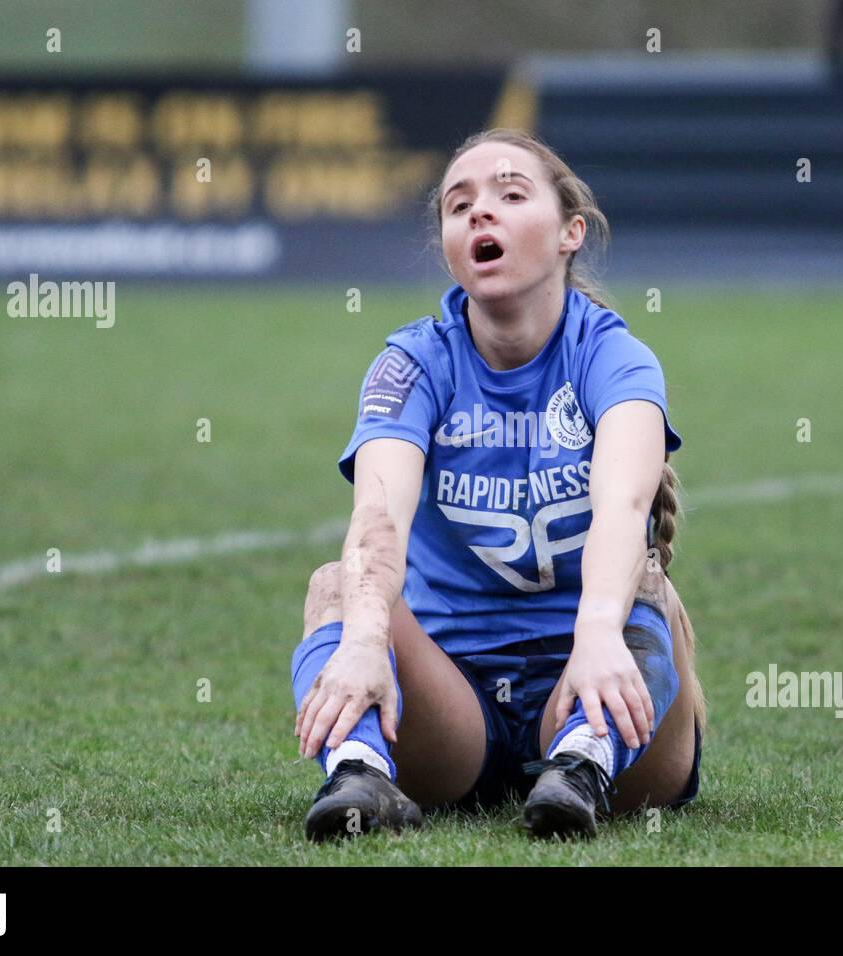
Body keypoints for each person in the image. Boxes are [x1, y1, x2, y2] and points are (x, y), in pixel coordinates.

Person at [291, 128, 707, 841]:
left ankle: (580, 765)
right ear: (450, 245)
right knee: (338, 586)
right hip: (449, 712)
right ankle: (359, 774)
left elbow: (624, 503)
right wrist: (363, 639)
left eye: (510, 195)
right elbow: (378, 514)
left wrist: (600, 631)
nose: (480, 213)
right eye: (459, 206)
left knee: (650, 589)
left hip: (590, 676)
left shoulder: (616, 357)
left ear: (570, 232)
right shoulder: (411, 363)